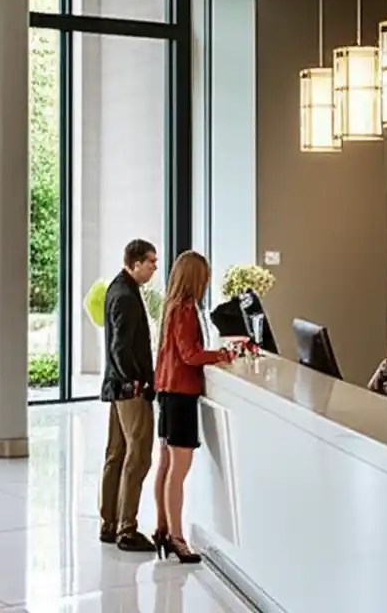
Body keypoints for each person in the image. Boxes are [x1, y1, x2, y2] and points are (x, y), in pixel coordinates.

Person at [153, 251, 234, 564]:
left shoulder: (170, 307)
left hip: (167, 392)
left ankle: (162, 528)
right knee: (179, 469)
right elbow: (189, 354)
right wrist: (220, 355)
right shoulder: (186, 310)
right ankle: (177, 537)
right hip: (181, 394)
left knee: (165, 464)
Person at [99, 239, 160, 552]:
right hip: (129, 390)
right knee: (138, 456)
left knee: (117, 454)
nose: (154, 267)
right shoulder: (125, 295)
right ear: (135, 262)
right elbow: (120, 347)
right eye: (151, 261)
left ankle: (109, 523)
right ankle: (127, 527)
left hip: (116, 387)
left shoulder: (118, 288)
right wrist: (136, 381)